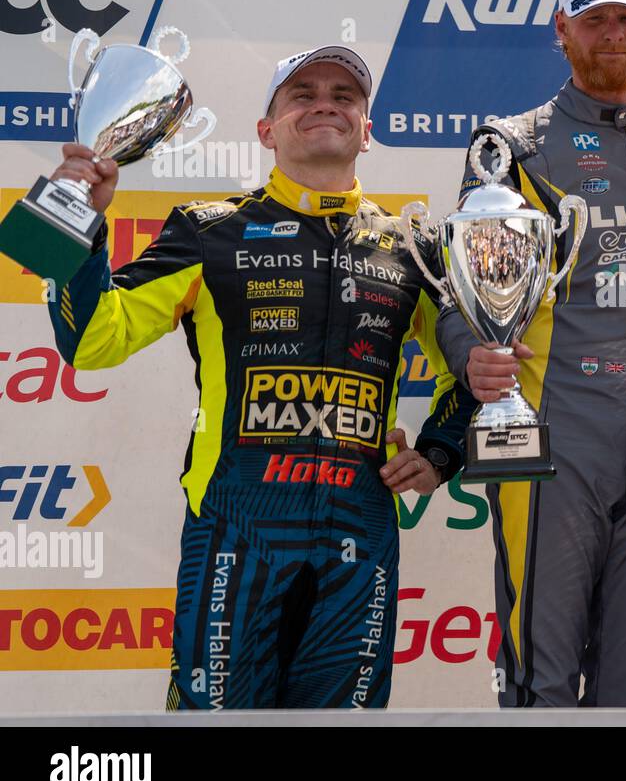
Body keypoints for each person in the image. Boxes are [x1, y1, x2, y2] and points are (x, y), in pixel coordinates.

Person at [46, 45, 476, 709]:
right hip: (236, 527)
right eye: (301, 95)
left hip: (356, 536)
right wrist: (83, 220)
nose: (325, 103)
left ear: (368, 129)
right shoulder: (208, 231)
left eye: (344, 94)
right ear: (266, 130)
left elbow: (478, 368)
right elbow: (92, 341)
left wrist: (441, 451)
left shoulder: (414, 247)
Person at [436, 0, 626, 707]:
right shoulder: (514, 144)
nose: (613, 35)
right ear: (561, 27)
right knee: (543, 676)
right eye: (595, 20)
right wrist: (473, 358)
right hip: (552, 439)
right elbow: (465, 293)